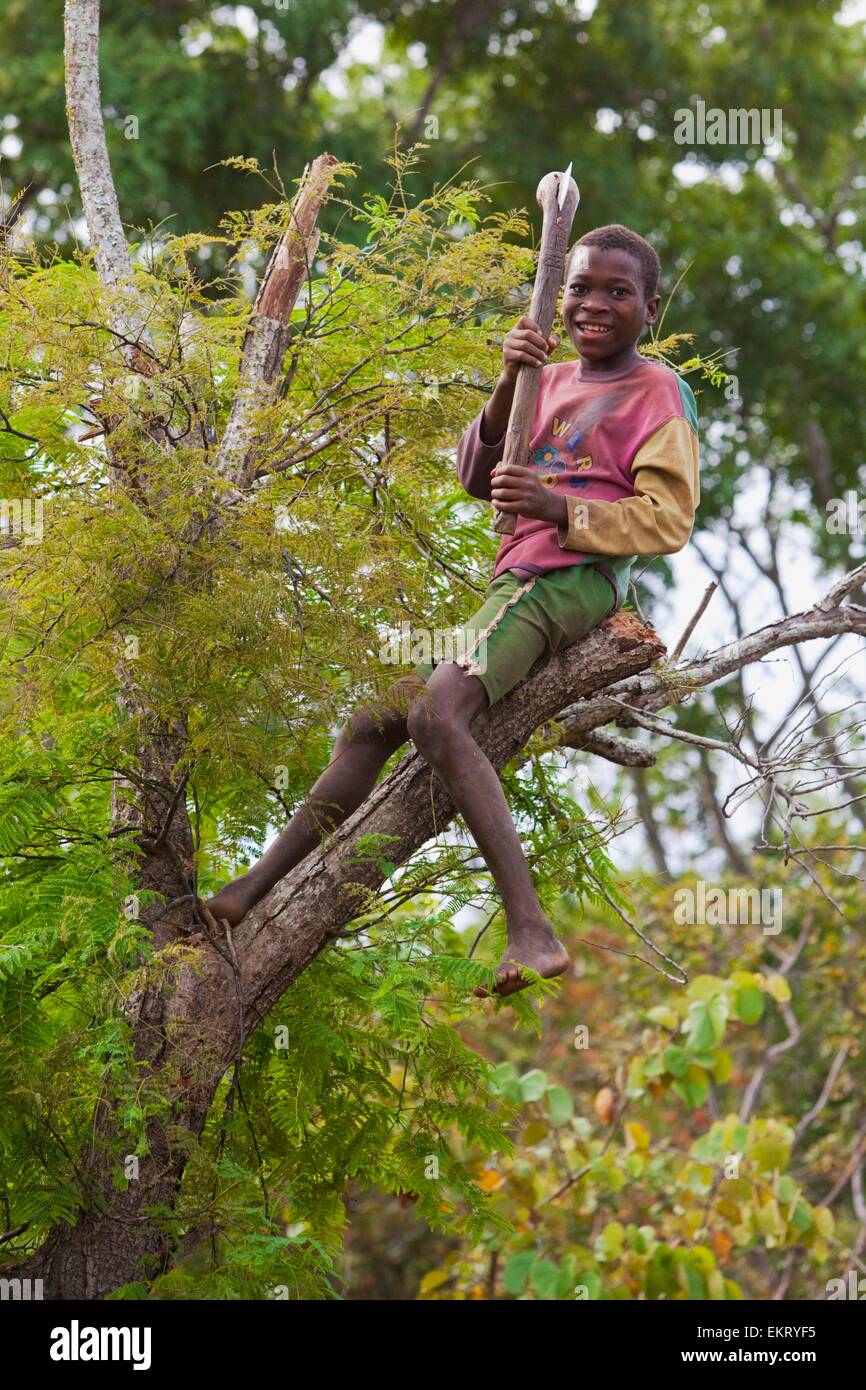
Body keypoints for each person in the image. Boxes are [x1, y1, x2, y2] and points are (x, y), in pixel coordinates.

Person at [201, 224, 700, 999]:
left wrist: (557, 507)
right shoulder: (552, 377)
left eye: (617, 292)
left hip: (572, 577)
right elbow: (476, 474)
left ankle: (532, 929)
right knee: (376, 718)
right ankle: (250, 890)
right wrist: (510, 380)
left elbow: (668, 520)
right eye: (580, 288)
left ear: (650, 308)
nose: (594, 304)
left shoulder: (657, 391)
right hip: (517, 579)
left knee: (437, 716)